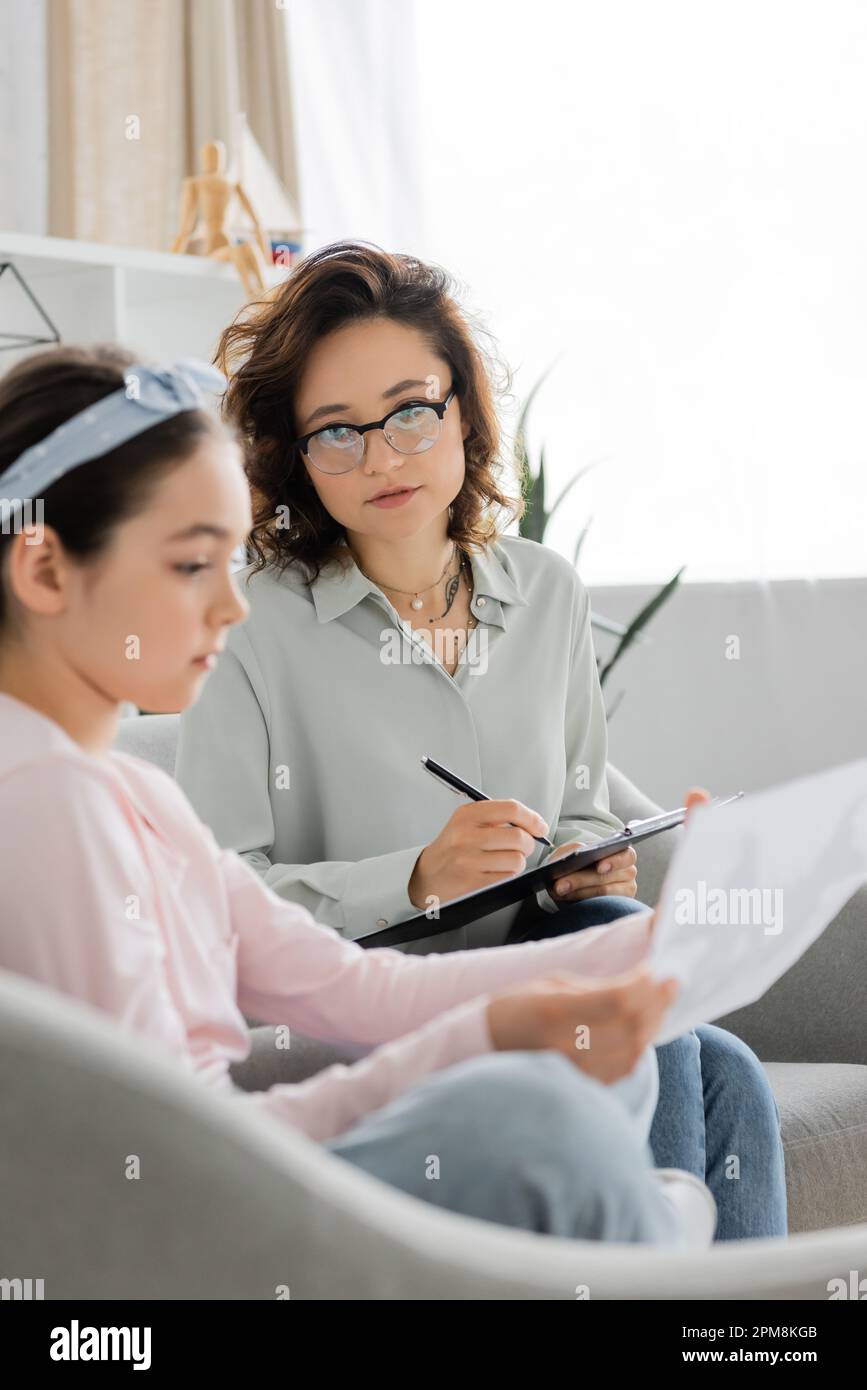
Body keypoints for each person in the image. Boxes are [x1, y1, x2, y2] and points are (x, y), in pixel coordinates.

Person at [0, 341, 719, 1247]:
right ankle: (663, 1247)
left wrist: (664, 940)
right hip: (177, 1237)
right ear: (45, 570)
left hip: (218, 1180)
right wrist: (488, 1034)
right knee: (539, 1121)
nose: (231, 606)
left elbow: (352, 988)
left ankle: (664, 1250)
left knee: (642, 1071)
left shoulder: (131, 794)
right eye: (191, 565)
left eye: (230, 561)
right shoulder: (42, 804)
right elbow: (156, 1164)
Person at [174, 240, 787, 1240]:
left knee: (724, 1065)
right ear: (296, 453)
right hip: (378, 1001)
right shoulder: (245, 624)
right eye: (337, 432)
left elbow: (583, 805)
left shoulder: (545, 592)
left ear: (462, 409)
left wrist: (590, 868)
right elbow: (216, 898)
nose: (381, 456)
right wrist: (415, 875)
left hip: (545, 961)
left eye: (411, 411)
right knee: (654, 1014)